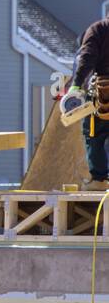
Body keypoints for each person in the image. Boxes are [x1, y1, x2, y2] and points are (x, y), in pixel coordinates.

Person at [67, 16, 109, 189]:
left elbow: (87, 57)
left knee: (94, 134)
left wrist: (76, 85)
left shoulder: (98, 29)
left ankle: (99, 180)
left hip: (103, 92)